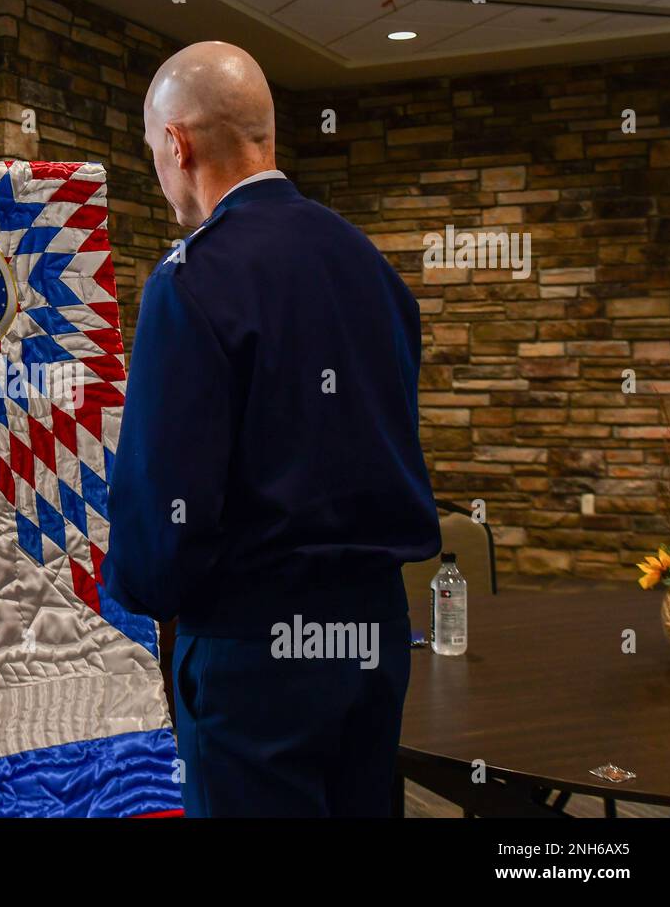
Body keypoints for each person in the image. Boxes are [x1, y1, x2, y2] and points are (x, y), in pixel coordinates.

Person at [101, 42, 441, 817]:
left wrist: (146, 594)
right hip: (374, 633)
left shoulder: (192, 281)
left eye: (155, 150)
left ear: (177, 144)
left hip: (257, 645)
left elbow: (166, 495)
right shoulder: (371, 267)